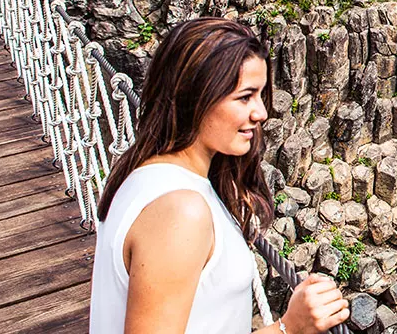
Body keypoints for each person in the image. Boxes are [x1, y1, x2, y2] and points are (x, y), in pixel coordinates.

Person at [89, 18, 348, 334]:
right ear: (195, 97)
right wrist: (289, 327)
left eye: (260, 94)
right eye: (244, 96)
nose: (261, 113)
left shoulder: (141, 175)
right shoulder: (182, 213)